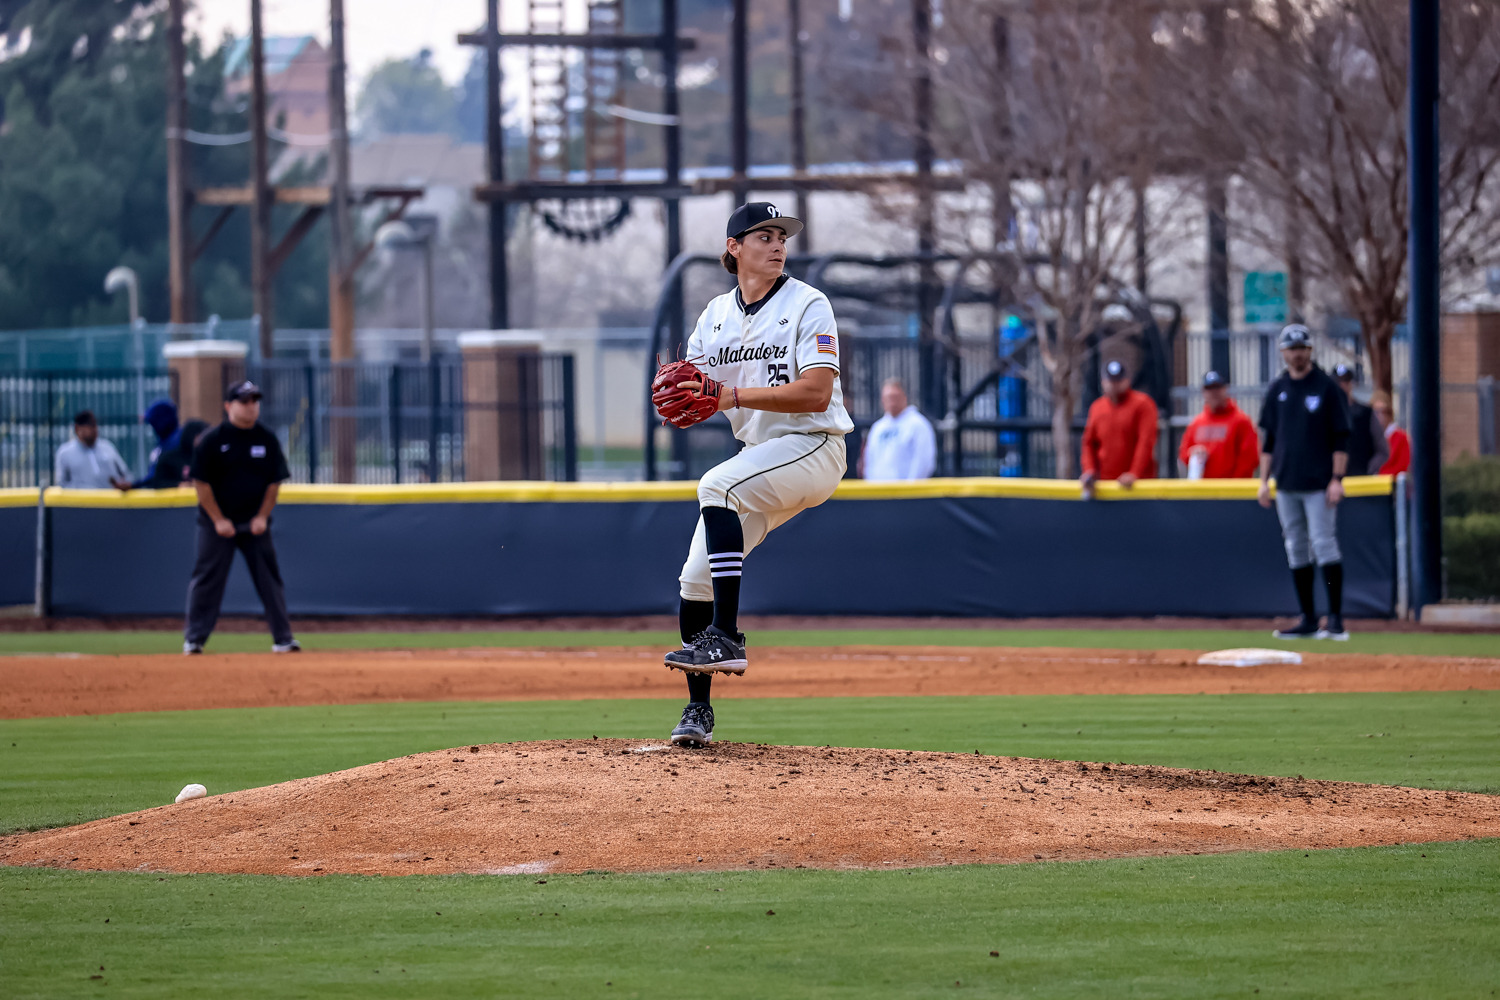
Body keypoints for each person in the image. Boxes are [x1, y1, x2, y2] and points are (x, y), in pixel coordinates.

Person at [658, 202, 853, 748]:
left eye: (781, 235)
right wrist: (684, 395)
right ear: (733, 249)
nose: (777, 243)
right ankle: (698, 711)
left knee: (715, 485)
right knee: (695, 579)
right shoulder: (715, 316)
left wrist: (730, 395)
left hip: (814, 447)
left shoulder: (809, 303)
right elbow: (694, 386)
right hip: (760, 461)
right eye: (762, 234)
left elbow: (816, 392)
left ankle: (727, 636)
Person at [183, 380, 300, 655]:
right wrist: (218, 519)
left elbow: (274, 483)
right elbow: (201, 483)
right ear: (228, 406)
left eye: (254, 401)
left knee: (269, 579)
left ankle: (283, 639)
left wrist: (262, 517)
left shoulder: (266, 438)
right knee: (208, 578)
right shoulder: (212, 440)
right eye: (244, 401)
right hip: (217, 523)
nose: (250, 407)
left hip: (254, 523)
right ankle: (194, 639)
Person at [1257, 324, 1352, 641]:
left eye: (1302, 348)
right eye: (1291, 348)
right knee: (1296, 547)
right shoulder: (1278, 389)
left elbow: (1341, 437)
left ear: (1310, 351)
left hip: (1318, 482)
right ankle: (1308, 617)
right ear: (1283, 352)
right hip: (1286, 482)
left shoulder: (1325, 387)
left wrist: (1337, 478)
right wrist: (1263, 481)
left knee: (1324, 544)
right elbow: (1269, 439)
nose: (1297, 353)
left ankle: (1335, 617)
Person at [1080, 359, 1157, 495]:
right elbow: (1089, 443)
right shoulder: (1097, 407)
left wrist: (1134, 473)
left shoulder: (1142, 404)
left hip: (1136, 489)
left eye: (1118, 380)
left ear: (1127, 381)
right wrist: (1089, 470)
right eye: (1110, 381)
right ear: (1103, 382)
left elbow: (1145, 441)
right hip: (1105, 488)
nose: (1114, 385)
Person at [1179, 370, 1259, 478]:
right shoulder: (1197, 423)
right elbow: (1184, 454)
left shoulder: (1241, 421)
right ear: (1203, 392)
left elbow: (1250, 458)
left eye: (1217, 387)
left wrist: (1234, 486)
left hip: (1231, 490)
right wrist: (1192, 455)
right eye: (1210, 389)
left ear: (1225, 389)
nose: (1214, 393)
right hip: (1204, 490)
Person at [861, 378, 937, 480]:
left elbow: (924, 460)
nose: (891, 402)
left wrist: (911, 488)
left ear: (904, 397)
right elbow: (869, 460)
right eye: (887, 397)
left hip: (906, 492)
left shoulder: (918, 424)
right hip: (879, 491)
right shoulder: (878, 428)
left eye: (894, 397)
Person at [131, 399, 202, 489]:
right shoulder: (163, 443)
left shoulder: (175, 443)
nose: (152, 428)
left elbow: (157, 478)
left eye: (153, 422)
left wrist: (134, 485)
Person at [1333, 364, 1389, 475]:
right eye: (1338, 382)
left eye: (1346, 381)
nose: (1342, 385)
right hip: (1330, 483)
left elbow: (1382, 450)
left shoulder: (1365, 413)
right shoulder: (1325, 414)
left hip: (1360, 482)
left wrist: (1367, 469)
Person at [54, 410, 131, 490]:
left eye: (95, 425)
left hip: (109, 500)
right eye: (89, 425)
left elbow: (126, 475)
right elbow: (61, 485)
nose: (94, 429)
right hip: (80, 501)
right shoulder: (65, 453)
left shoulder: (107, 447)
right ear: (77, 428)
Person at [1372, 392, 1410, 475]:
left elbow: (1402, 466)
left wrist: (1379, 476)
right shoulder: (1371, 438)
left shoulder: (1400, 437)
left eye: (1382, 411)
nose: (1378, 416)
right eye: (1375, 412)